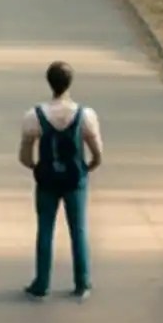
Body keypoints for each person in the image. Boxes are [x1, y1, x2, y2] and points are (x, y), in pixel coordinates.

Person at [18, 61, 103, 301]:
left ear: (49, 82)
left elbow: (24, 155)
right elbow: (97, 152)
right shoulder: (85, 114)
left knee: (45, 229)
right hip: (75, 179)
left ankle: (41, 282)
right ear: (70, 83)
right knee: (78, 229)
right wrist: (89, 167)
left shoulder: (34, 116)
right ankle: (82, 281)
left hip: (47, 181)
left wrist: (36, 166)